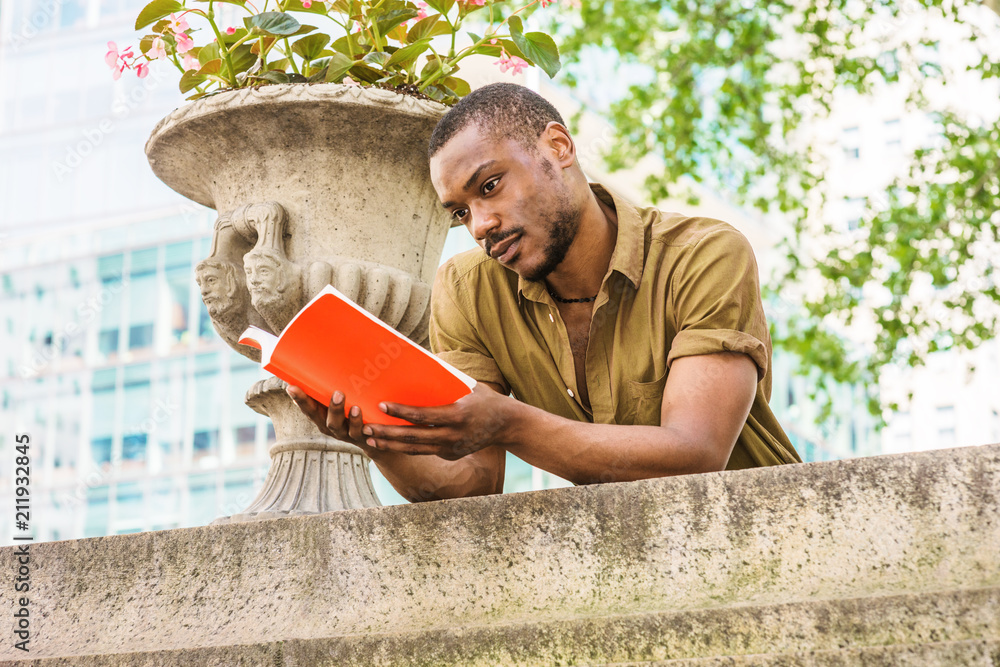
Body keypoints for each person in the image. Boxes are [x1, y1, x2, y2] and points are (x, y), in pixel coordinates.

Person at [287, 82, 800, 502]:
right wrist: (379, 439)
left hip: (771, 546)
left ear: (559, 147)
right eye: (460, 212)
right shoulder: (467, 290)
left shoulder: (705, 254)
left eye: (489, 186)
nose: (481, 225)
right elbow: (474, 488)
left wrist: (508, 424)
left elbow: (696, 453)